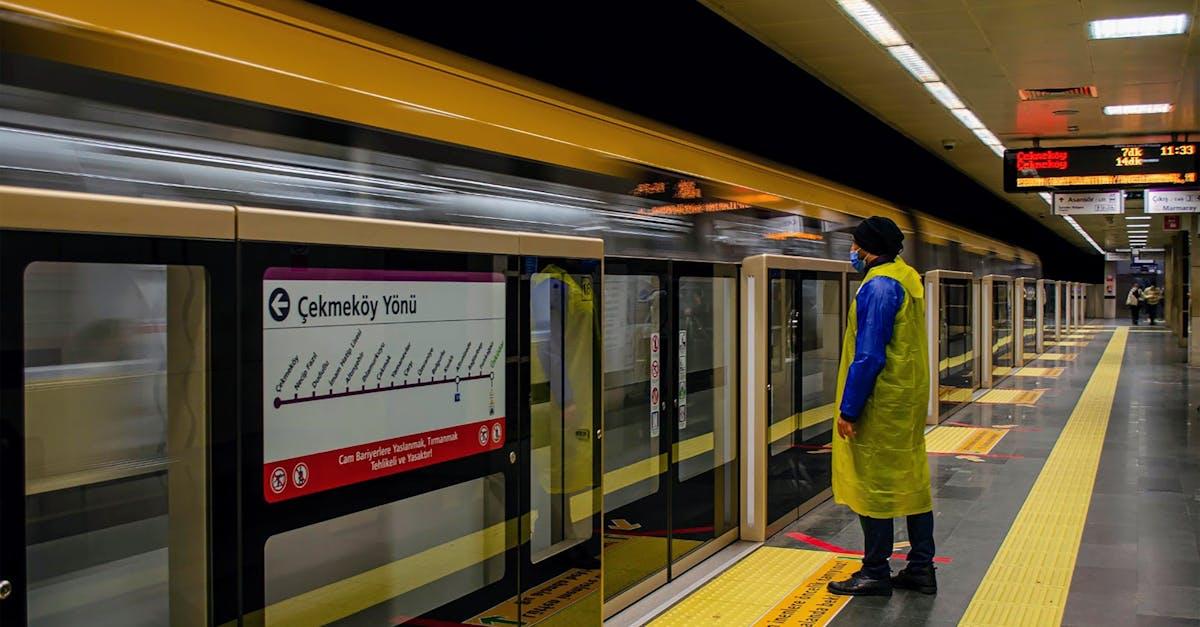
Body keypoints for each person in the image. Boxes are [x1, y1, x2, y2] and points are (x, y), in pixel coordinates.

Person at [827, 216, 935, 597]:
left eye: (855, 244)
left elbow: (869, 355)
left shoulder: (879, 287)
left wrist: (849, 409)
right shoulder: (906, 277)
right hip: (904, 399)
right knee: (911, 482)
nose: (852, 251)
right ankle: (921, 568)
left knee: (872, 485)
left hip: (881, 403)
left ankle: (874, 570)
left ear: (869, 248)